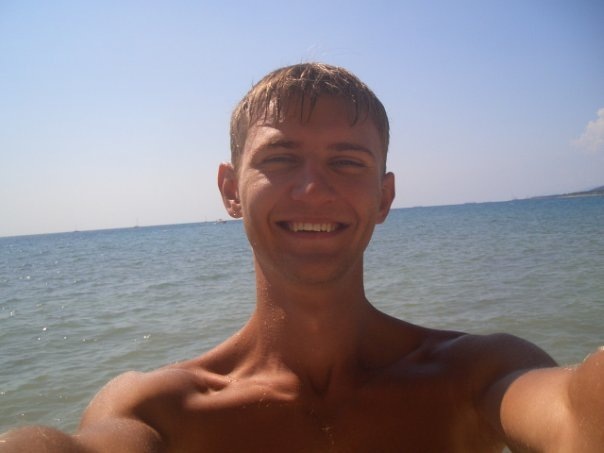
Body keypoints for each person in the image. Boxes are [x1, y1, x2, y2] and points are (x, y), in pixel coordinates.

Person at [1, 63, 602, 453]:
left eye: (347, 162)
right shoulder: (158, 411)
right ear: (230, 190)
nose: (313, 189)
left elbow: (575, 416)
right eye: (281, 158)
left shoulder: (477, 375)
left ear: (384, 197)